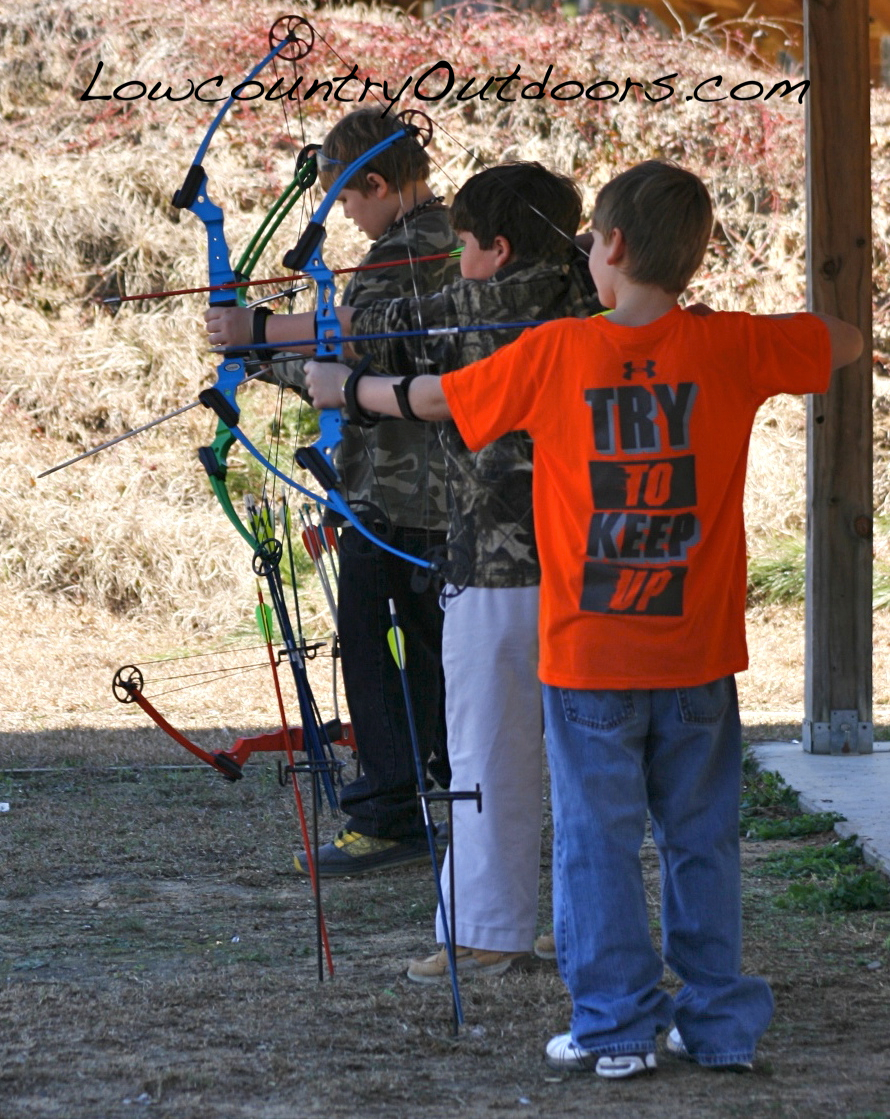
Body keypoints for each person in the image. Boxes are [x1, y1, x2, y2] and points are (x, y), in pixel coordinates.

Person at [303, 160, 863, 1074]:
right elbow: (841, 338)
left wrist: (348, 392)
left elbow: (444, 399)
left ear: (610, 247)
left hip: (591, 657)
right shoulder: (731, 348)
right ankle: (718, 1025)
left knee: (597, 847)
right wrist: (726, 327)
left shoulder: (558, 349)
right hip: (696, 658)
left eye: (592, 243)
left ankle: (613, 1027)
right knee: (700, 840)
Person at [209, 160, 602, 978]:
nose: (456, 260)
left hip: (500, 571)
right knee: (591, 760)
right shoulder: (595, 294)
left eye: (463, 244)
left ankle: (489, 931)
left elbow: (363, 332)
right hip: (598, 567)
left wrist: (249, 340)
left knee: (489, 750)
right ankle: (584, 927)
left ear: (495, 250)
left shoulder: (470, 308)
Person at [217, 108, 461, 875]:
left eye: (348, 201)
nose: (346, 218)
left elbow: (363, 344)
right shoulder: (444, 240)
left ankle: (392, 814)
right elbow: (348, 369)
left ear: (380, 184)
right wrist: (263, 355)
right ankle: (440, 791)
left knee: (374, 648)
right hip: (423, 495)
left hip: (401, 499)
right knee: (427, 652)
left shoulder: (410, 254)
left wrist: (258, 336)